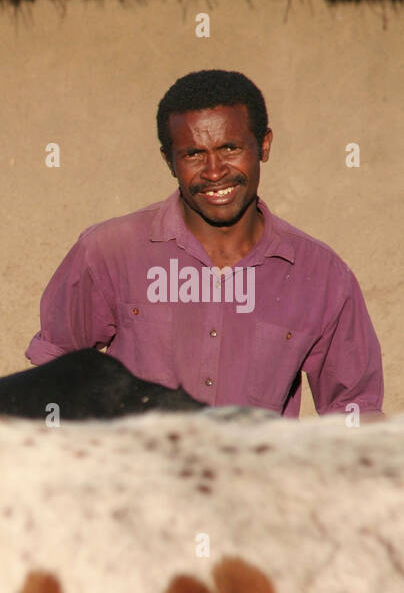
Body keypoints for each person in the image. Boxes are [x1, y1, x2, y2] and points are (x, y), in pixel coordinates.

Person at [26, 69, 383, 417]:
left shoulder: (321, 276)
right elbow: (54, 377)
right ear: (169, 160)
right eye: (193, 154)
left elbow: (354, 411)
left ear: (264, 145)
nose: (214, 171)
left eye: (230, 148)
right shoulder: (107, 252)